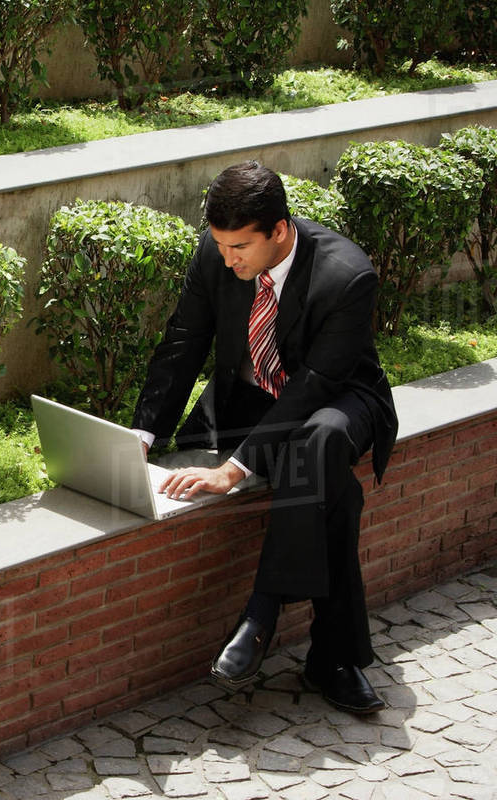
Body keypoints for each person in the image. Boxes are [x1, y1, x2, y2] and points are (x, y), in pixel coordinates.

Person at [131, 161, 397, 713]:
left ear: (280, 230)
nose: (228, 260)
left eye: (240, 247)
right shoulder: (216, 253)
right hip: (249, 399)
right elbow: (185, 340)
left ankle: (263, 611)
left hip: (341, 399)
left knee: (317, 440)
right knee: (334, 494)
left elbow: (313, 387)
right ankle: (335, 658)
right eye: (221, 245)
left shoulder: (346, 275)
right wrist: (143, 433)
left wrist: (233, 468)